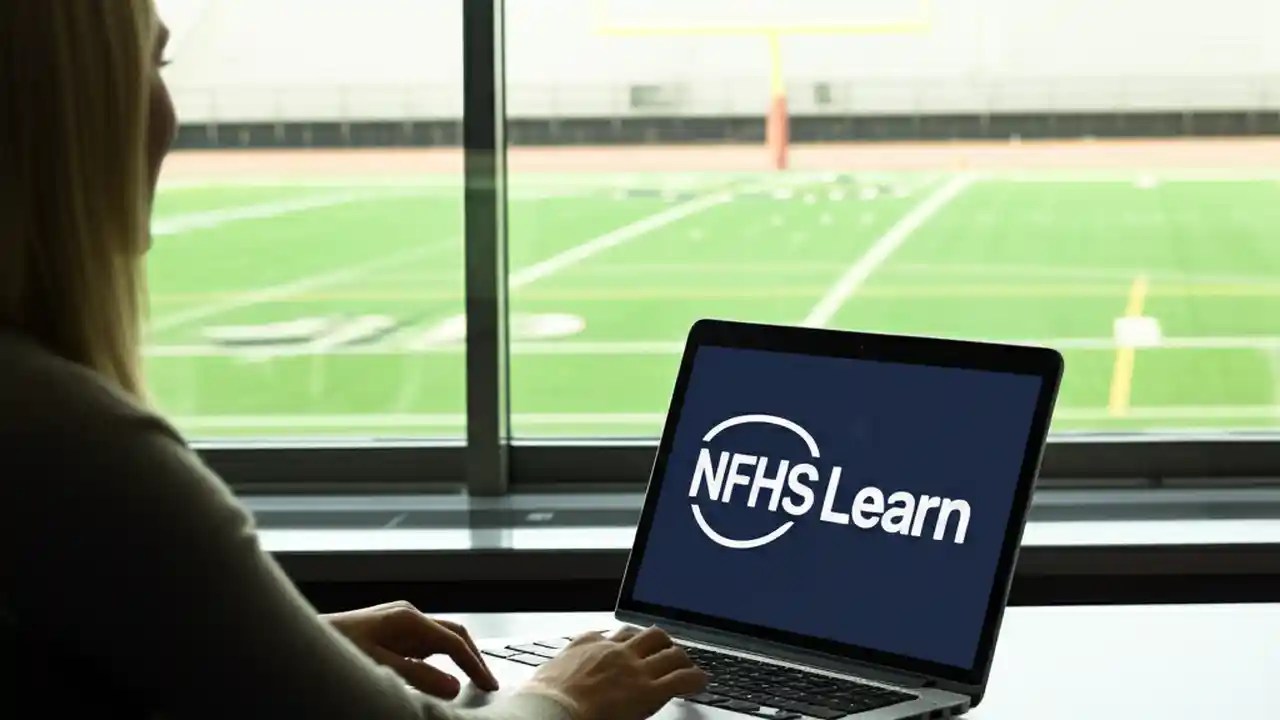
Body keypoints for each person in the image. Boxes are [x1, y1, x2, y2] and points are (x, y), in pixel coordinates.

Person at [0, 3, 707, 719]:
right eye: (151, 66)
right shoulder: (69, 442)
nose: (169, 115)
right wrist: (565, 697)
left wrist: (287, 652)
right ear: (62, 108)